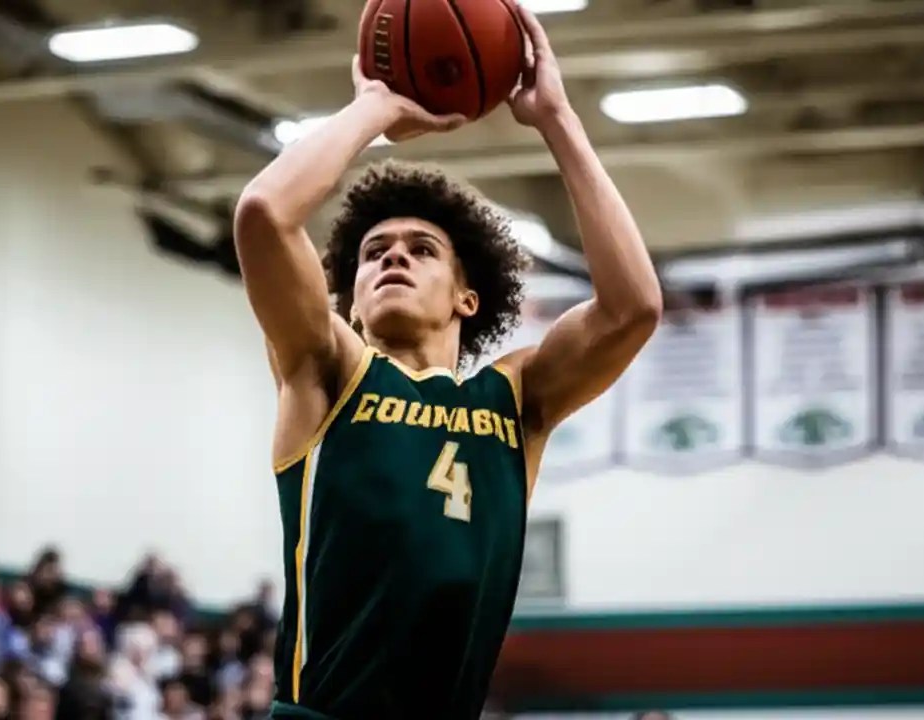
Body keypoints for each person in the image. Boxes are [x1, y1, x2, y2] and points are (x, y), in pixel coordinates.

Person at [232, 4, 661, 719]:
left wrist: (556, 117)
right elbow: (263, 214)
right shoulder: (329, 372)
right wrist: (372, 105)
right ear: (352, 303)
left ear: (468, 298)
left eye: (420, 249)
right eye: (373, 253)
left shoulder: (514, 401)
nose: (393, 254)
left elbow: (633, 308)